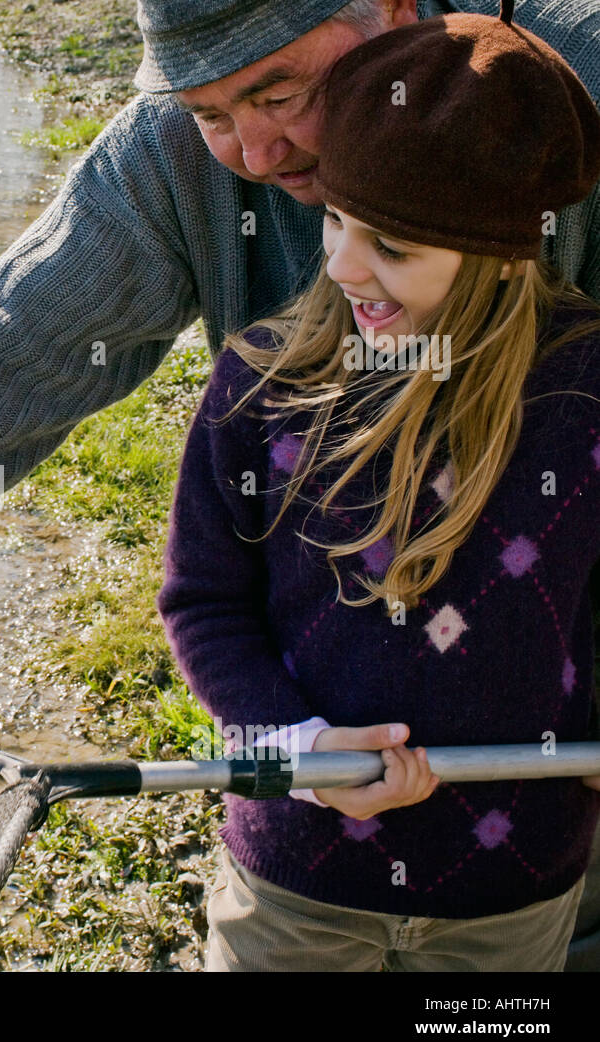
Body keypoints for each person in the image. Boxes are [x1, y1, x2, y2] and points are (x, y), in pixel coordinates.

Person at [0, 0, 600, 963]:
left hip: (539, 820)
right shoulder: (183, 177)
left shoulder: (575, 83)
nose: (257, 152)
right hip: (302, 848)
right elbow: (25, 335)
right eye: (212, 112)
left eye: (279, 92)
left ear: (392, 10)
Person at [156, 1, 600, 970]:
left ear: (499, 256)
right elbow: (204, 602)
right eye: (339, 223)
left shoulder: (583, 394)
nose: (347, 266)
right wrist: (292, 748)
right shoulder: (260, 389)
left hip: (514, 894)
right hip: (293, 884)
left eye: (393, 247)